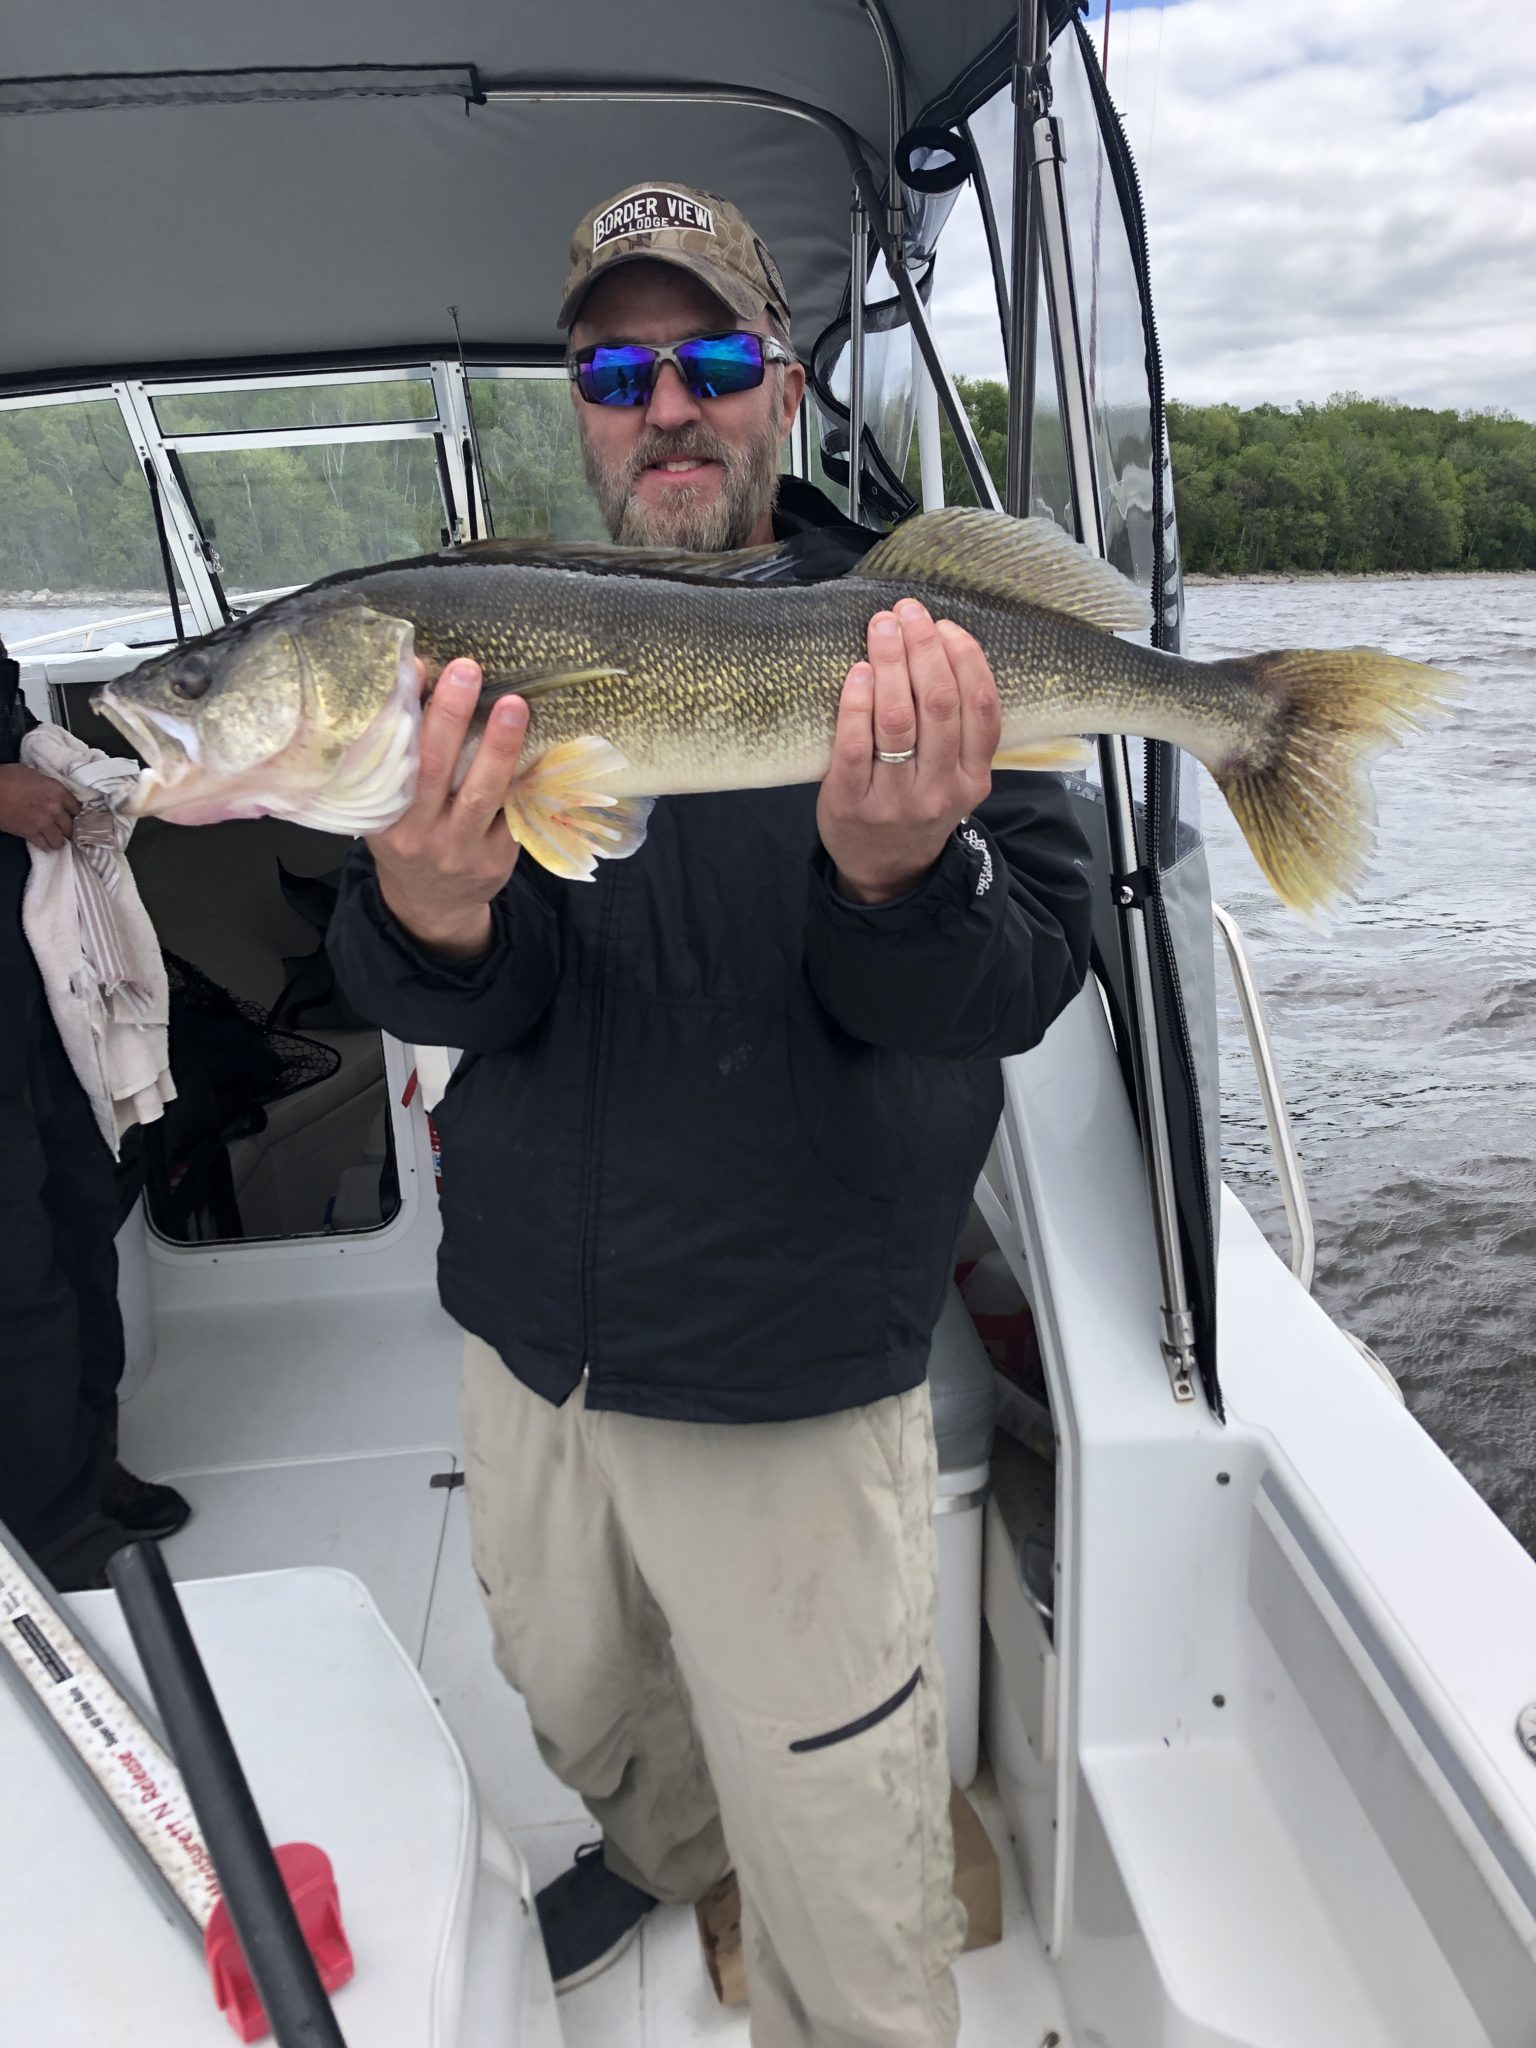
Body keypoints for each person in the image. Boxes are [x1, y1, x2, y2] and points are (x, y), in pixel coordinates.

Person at [327, 183, 1093, 2047]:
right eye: (614, 367)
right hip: (533, 1343)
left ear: (788, 386)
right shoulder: (466, 651)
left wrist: (901, 883)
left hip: (782, 1360)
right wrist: (425, 907)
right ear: (577, 404)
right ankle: (697, 1865)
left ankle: (832, 1946)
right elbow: (465, 993)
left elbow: (1024, 965)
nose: (664, 403)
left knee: (839, 1821)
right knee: (575, 1698)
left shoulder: (917, 633)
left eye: (713, 355)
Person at [0, 634, 191, 1591]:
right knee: (14, 1273)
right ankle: (47, 1533)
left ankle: (88, 1466)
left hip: (35, 986)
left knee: (82, 1220)